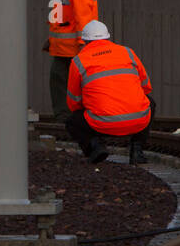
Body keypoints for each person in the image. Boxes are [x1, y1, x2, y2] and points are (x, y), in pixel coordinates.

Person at [65, 20, 154, 165]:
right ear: (107, 38)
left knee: (72, 121)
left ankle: (96, 147)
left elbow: (74, 102)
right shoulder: (128, 52)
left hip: (101, 124)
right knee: (150, 103)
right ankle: (137, 151)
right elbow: (146, 87)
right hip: (137, 121)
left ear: (84, 41)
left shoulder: (78, 61)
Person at [44, 0, 98, 124]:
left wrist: (84, 43)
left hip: (72, 47)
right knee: (65, 81)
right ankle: (70, 120)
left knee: (61, 81)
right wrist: (52, 39)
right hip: (65, 46)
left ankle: (67, 121)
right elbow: (60, 10)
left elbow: (83, 13)